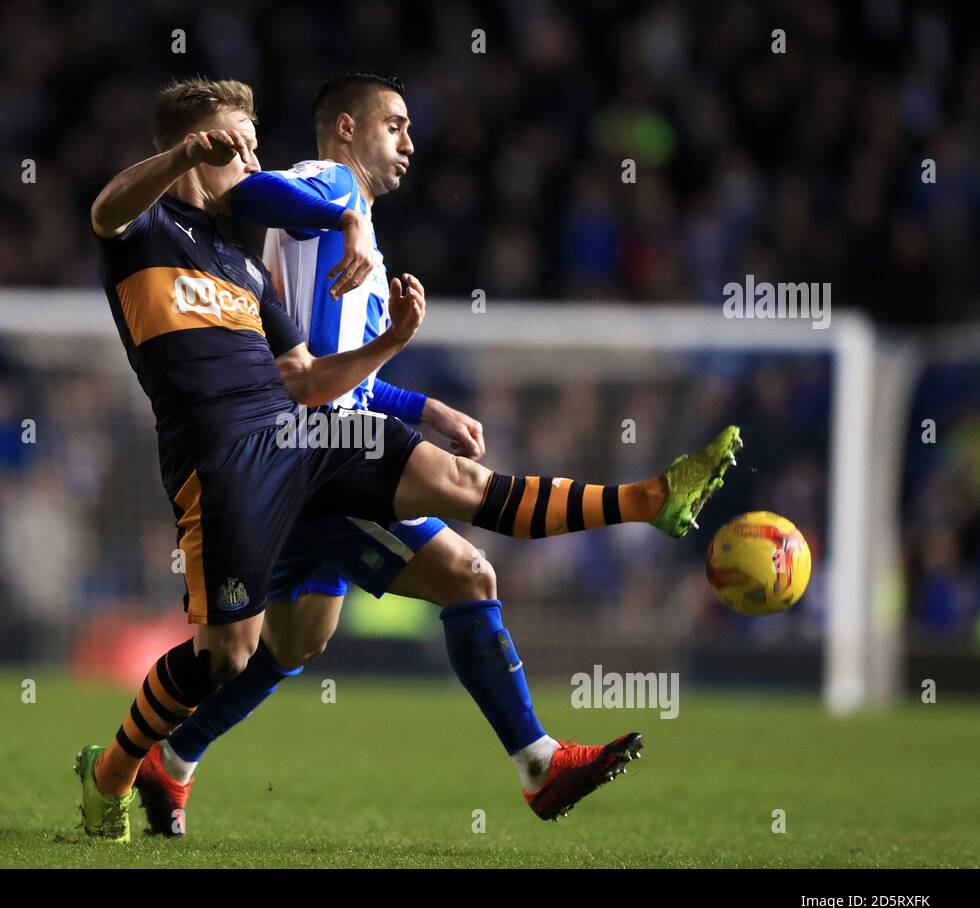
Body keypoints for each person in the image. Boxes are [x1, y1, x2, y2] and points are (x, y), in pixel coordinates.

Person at [79, 77, 740, 843]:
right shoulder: (171, 221)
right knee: (233, 652)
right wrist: (324, 206)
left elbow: (306, 375)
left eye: (253, 145)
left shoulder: (248, 270)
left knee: (321, 624)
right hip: (227, 461)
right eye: (238, 145)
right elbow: (109, 210)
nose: (252, 161)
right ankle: (125, 767)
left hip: (310, 440)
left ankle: (646, 500)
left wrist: (403, 369)